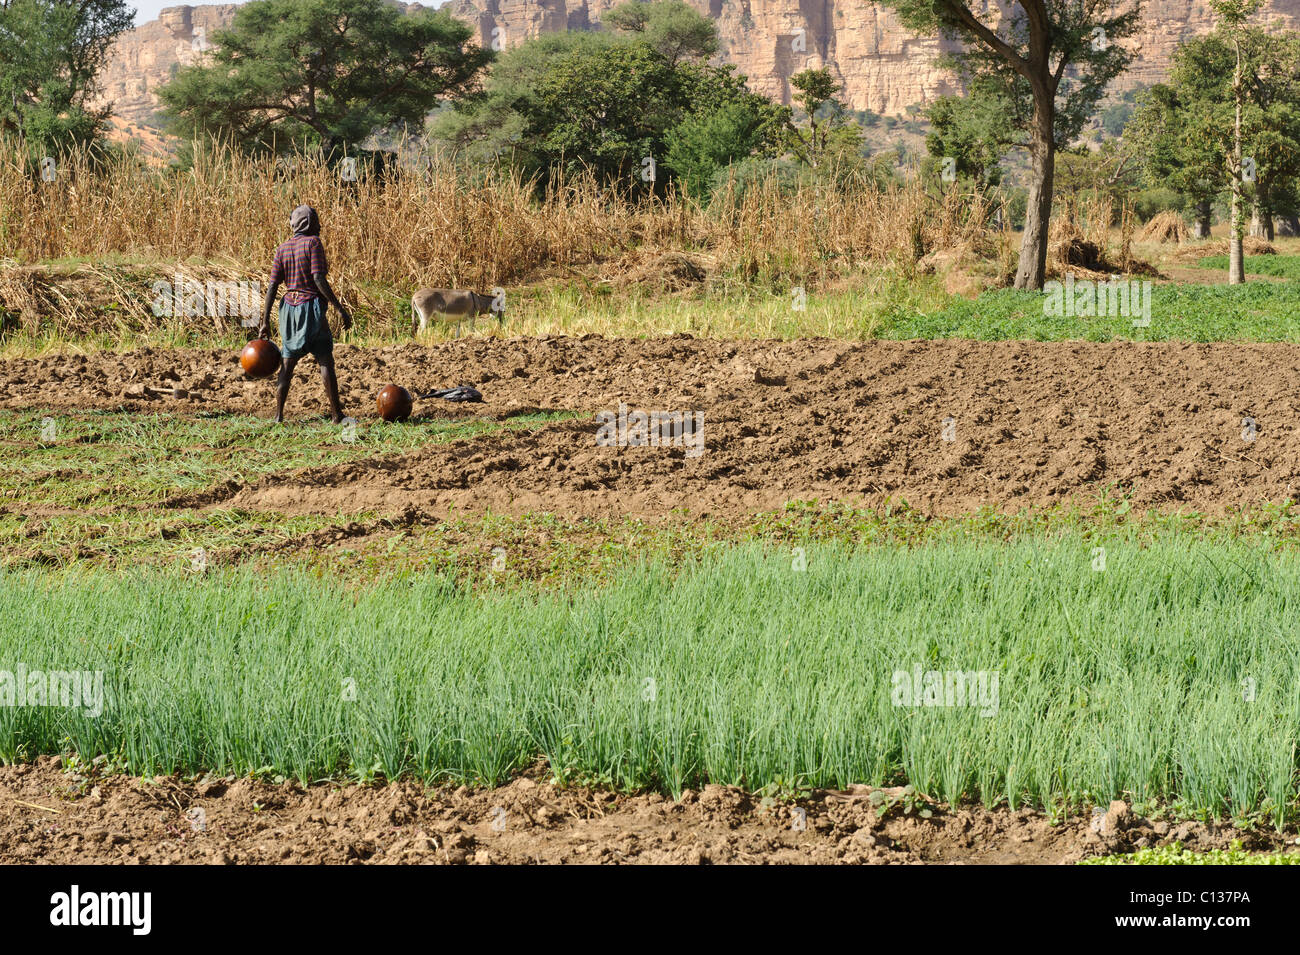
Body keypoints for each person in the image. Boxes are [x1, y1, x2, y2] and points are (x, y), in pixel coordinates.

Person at [257, 205, 352, 423]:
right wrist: (339, 307)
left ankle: (279, 415)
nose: (320, 225)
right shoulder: (313, 243)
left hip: (289, 310)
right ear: (308, 223)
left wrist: (265, 322)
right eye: (317, 221)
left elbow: (272, 286)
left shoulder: (282, 249)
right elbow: (318, 278)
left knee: (287, 364)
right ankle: (337, 415)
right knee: (325, 361)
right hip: (311, 308)